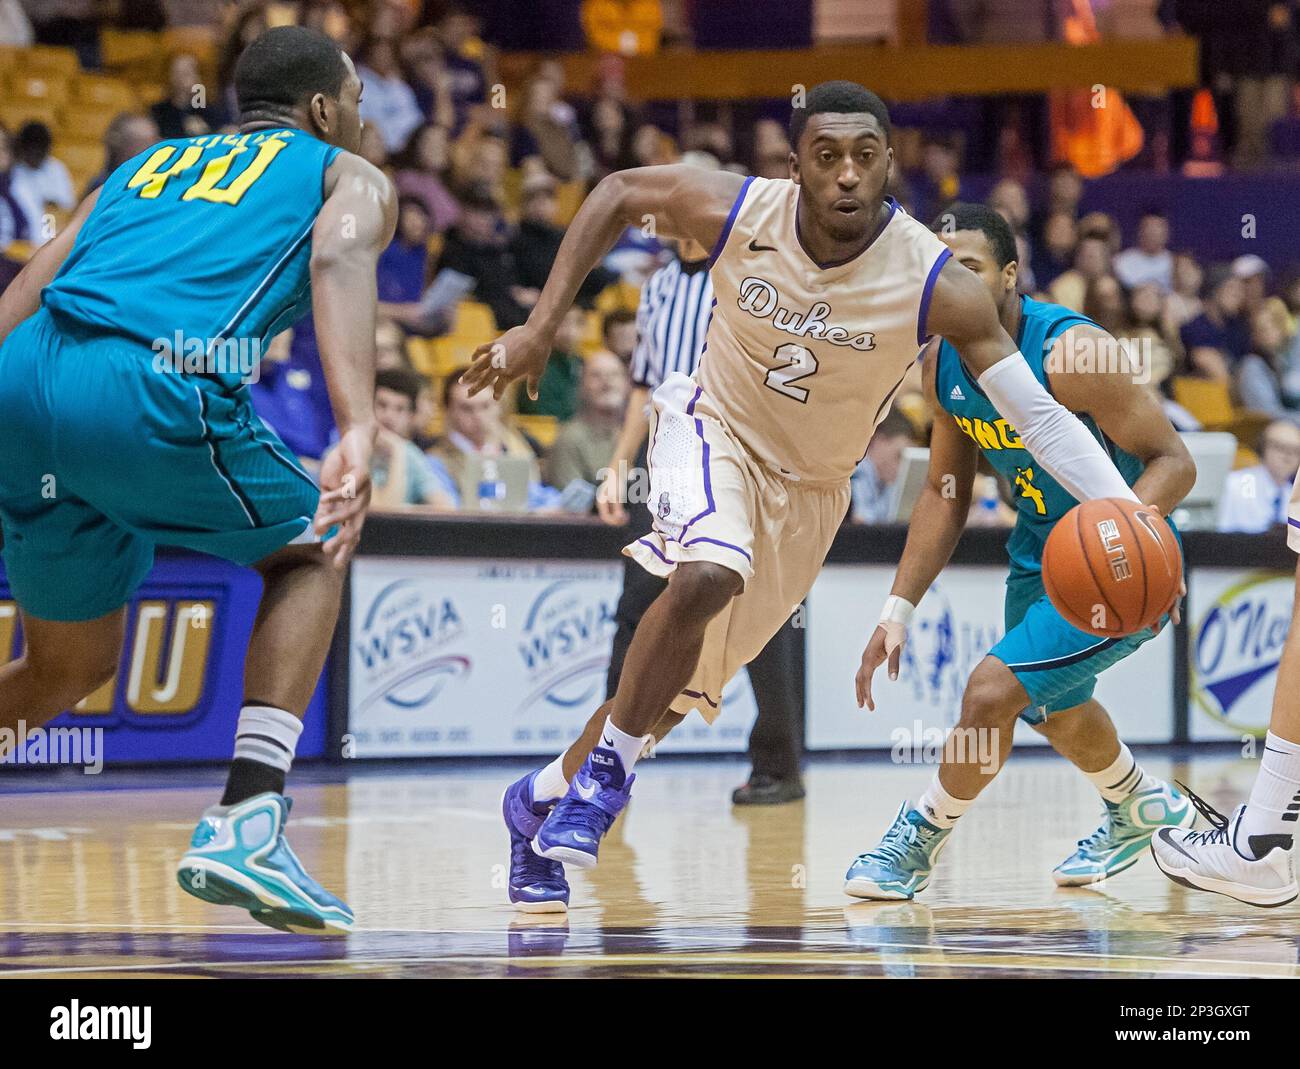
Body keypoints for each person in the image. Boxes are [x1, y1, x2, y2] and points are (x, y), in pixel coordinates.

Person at [463, 81, 1153, 913]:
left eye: (866, 156)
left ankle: (536, 798)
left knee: (672, 696)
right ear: (796, 166)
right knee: (711, 568)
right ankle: (608, 777)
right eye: (826, 158)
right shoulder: (736, 210)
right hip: (711, 428)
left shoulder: (941, 286)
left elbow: (1041, 420)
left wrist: (1130, 514)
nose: (848, 175)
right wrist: (540, 325)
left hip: (812, 495)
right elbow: (614, 192)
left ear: (891, 163)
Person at [0, 26, 396, 933]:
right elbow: (338, 257)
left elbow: (28, 286)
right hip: (150, 384)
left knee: (69, 664)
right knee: (317, 545)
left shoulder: (146, 163)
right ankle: (248, 820)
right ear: (324, 110)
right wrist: (359, 425)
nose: (365, 124)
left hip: (25, 381)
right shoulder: (346, 175)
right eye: (360, 106)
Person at [842, 203, 1195, 900]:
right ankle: (1140, 805)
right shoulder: (942, 359)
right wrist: (897, 608)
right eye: (939, 269)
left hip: (1118, 558)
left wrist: (1138, 540)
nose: (950, 283)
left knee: (991, 691)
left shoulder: (1071, 350)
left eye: (966, 268)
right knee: (1050, 707)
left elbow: (1174, 459)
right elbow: (945, 492)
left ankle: (917, 839)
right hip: (1040, 553)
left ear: (1009, 275)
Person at [599, 236, 809, 808]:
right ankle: (608, 756)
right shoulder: (658, 285)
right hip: (667, 459)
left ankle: (779, 764)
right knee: (638, 604)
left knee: (759, 612)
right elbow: (644, 383)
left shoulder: (749, 274)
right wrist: (618, 465)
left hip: (735, 458)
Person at [367, 368, 456, 509]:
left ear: (411, 417)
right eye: (382, 405)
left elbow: (446, 508)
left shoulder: (411, 453)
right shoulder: (348, 452)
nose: (389, 416)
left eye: (400, 409)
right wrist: (397, 449)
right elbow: (383, 512)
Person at [544, 350, 628, 490]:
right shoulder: (569, 439)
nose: (607, 382)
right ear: (581, 386)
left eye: (615, 375)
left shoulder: (637, 437)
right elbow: (572, 505)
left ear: (627, 384)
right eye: (596, 375)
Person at [1216, 421, 1300, 533]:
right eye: (1280, 447)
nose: (1288, 457)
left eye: (1296, 451)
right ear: (1262, 448)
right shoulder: (1234, 485)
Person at [9, 121, 74, 245]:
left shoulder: (56, 169)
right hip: (20, 238)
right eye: (31, 150)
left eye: (39, 150)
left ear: (47, 149)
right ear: (22, 149)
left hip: (51, 236)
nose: (35, 154)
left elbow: (66, 206)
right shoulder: (13, 172)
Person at [850, 409, 914, 523]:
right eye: (899, 456)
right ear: (879, 441)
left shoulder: (884, 483)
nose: (901, 467)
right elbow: (860, 521)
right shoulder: (853, 476)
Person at [1112, 209, 1173, 292]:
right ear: (1140, 232)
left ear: (1166, 233)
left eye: (1156, 229)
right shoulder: (1121, 262)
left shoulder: (1174, 264)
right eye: (1149, 228)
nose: (1152, 233)